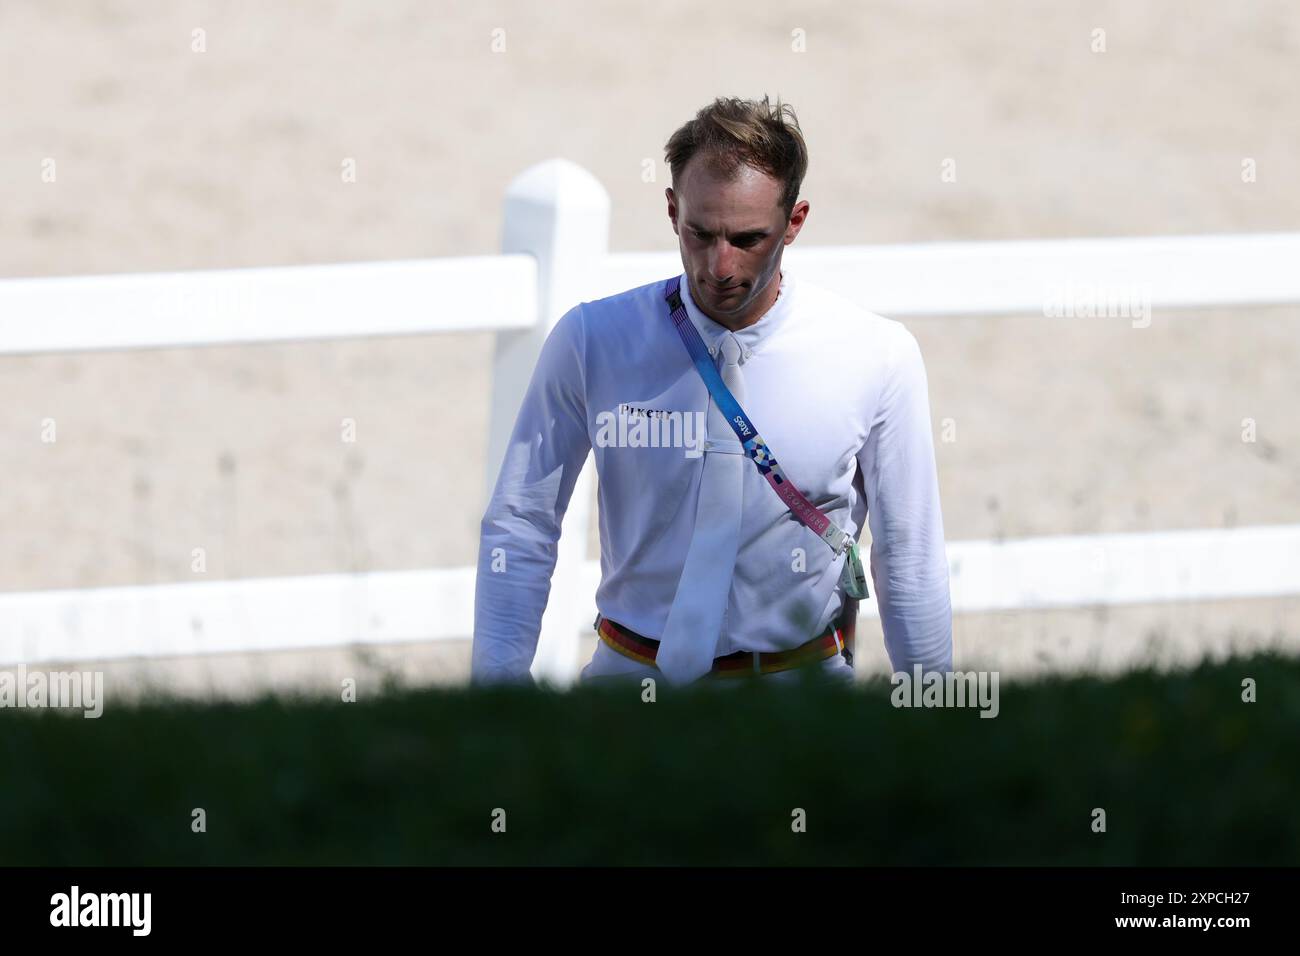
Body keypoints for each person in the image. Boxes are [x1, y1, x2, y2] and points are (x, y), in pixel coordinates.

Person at [472, 95, 953, 688]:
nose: (720, 266)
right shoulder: (591, 340)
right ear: (672, 211)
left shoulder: (877, 354)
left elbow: (908, 553)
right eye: (701, 234)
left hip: (802, 701)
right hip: (629, 692)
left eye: (749, 238)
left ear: (795, 222)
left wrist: (934, 713)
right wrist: (498, 697)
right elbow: (521, 522)